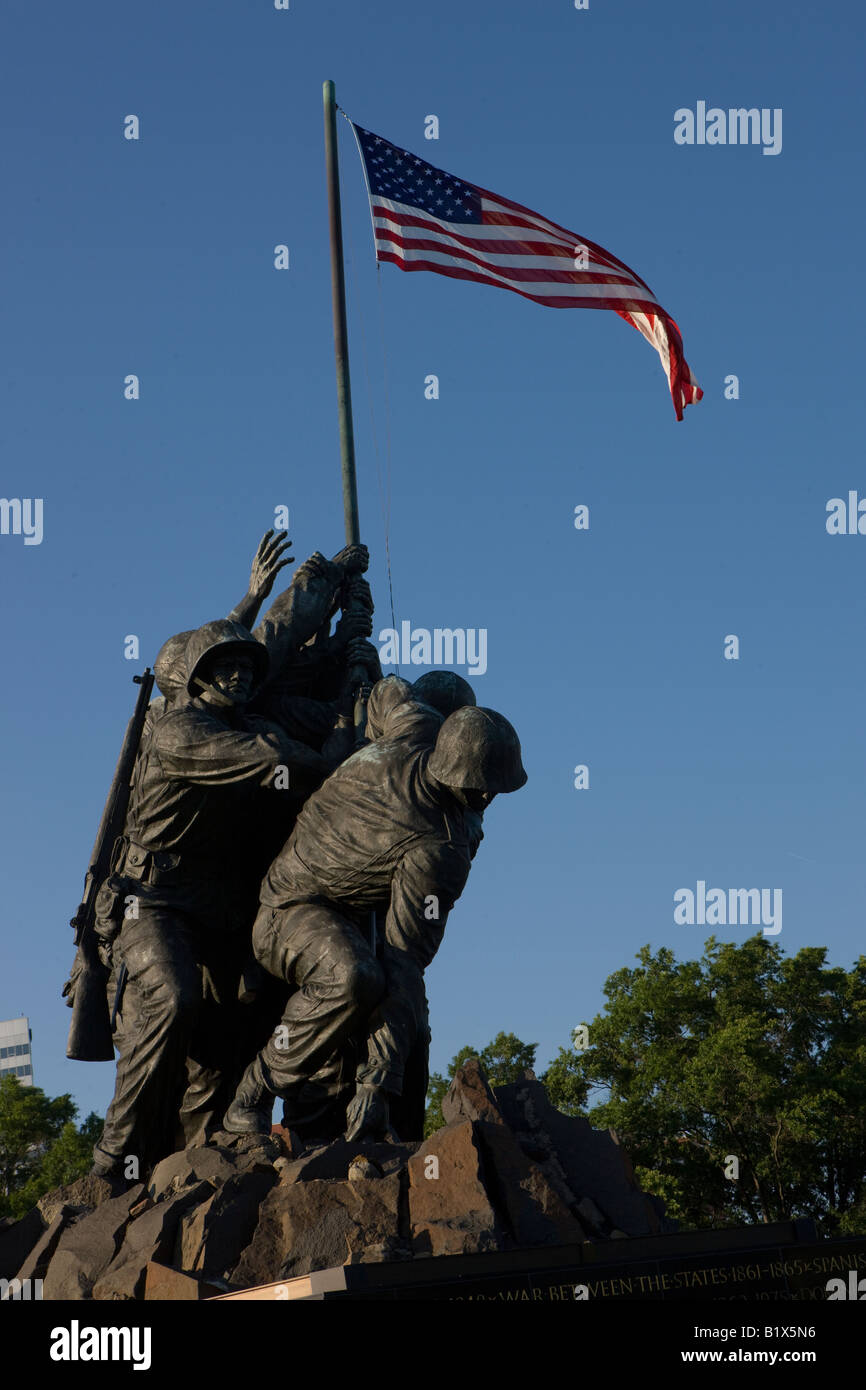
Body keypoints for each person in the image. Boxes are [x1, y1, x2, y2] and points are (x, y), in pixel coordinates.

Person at [222, 688, 527, 1144]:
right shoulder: (438, 843)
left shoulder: (419, 733)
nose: (486, 794)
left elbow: (389, 691)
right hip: (288, 909)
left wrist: (378, 1082)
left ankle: (394, 1134)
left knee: (408, 1015)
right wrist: (376, 1082)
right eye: (479, 783)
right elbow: (402, 964)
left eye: (493, 786)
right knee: (353, 977)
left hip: (346, 915)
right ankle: (253, 1092)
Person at [91, 620, 332, 1177]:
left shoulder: (245, 722)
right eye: (226, 666)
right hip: (150, 897)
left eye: (248, 667)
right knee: (172, 1000)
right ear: (196, 678)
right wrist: (346, 767)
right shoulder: (183, 732)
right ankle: (116, 1150)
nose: (239, 674)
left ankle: (205, 1146)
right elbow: (271, 761)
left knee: (250, 1006)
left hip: (215, 904)